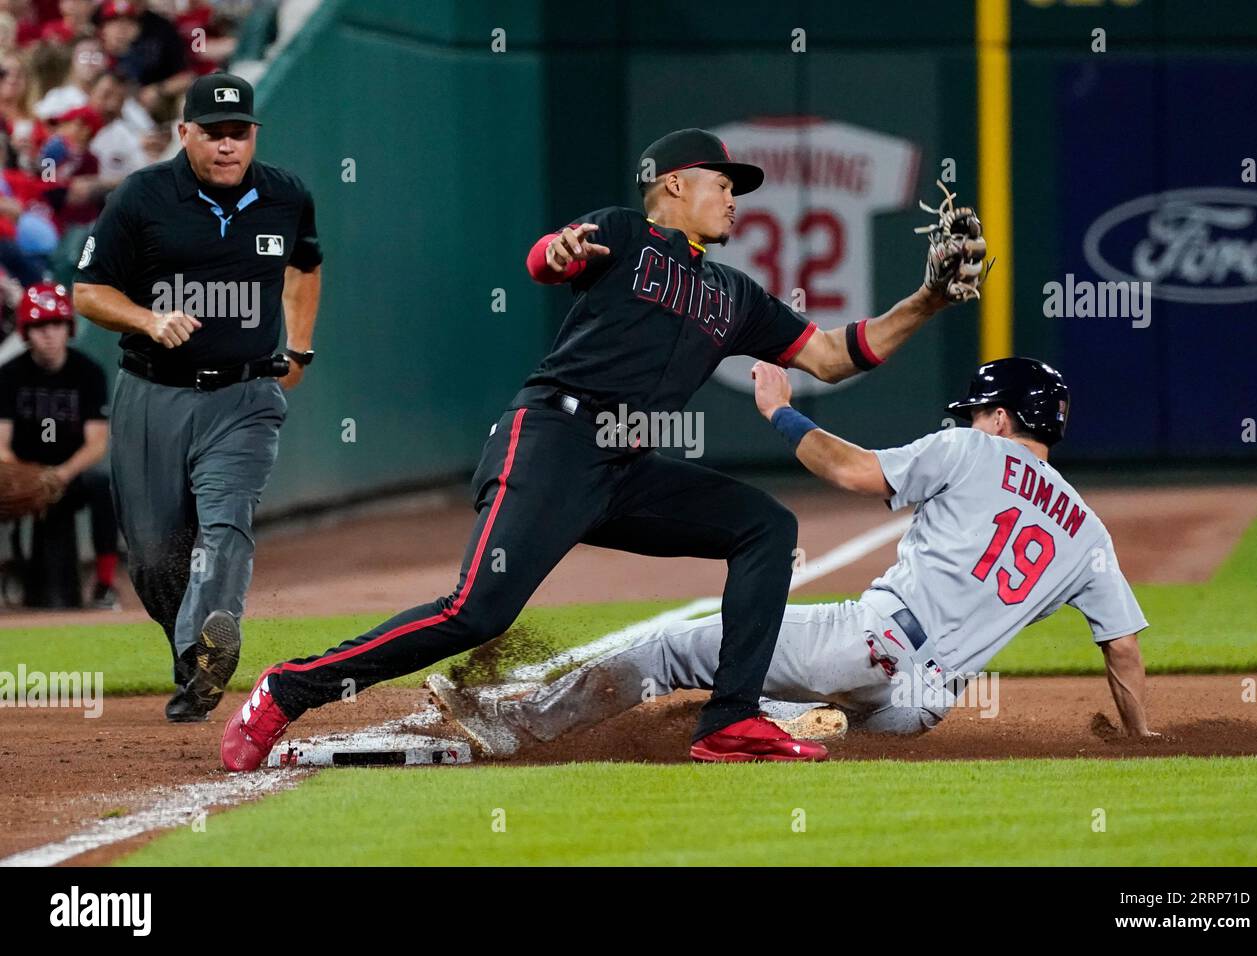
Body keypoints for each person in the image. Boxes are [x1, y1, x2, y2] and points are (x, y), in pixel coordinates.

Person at [220, 127, 989, 771]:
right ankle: (289, 688)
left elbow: (828, 355)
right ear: (678, 184)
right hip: (551, 440)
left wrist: (926, 299)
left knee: (765, 527)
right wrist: (556, 253)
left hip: (624, 467)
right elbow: (552, 256)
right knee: (475, 613)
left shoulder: (733, 294)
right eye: (724, 184)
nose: (734, 198)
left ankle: (729, 720)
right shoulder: (627, 233)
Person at [450, 358, 1159, 752]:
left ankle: (514, 726)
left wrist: (780, 412)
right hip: (917, 708)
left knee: (668, 650)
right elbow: (1122, 650)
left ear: (999, 418)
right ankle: (804, 721)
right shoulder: (1088, 532)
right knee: (748, 693)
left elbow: (852, 472)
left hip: (866, 643)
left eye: (976, 412)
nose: (969, 421)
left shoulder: (970, 449)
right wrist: (1142, 737)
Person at [72, 72, 322, 721]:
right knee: (153, 557)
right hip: (152, 395)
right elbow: (88, 291)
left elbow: (304, 265)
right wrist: (150, 319)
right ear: (184, 133)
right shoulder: (142, 197)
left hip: (244, 398)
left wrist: (297, 347)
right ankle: (193, 657)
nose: (227, 144)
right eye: (213, 133)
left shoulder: (286, 195)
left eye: (239, 132)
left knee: (224, 523)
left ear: (253, 135)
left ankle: (210, 646)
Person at [0, 280, 118, 608]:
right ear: (25, 333)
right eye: (38, 326)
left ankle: (105, 583)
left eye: (55, 324)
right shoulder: (10, 375)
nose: (48, 334)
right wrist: (27, 477)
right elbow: (1, 443)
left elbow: (97, 442)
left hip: (71, 472)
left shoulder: (88, 373)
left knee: (103, 487)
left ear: (69, 328)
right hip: (21, 474)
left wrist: (60, 475)